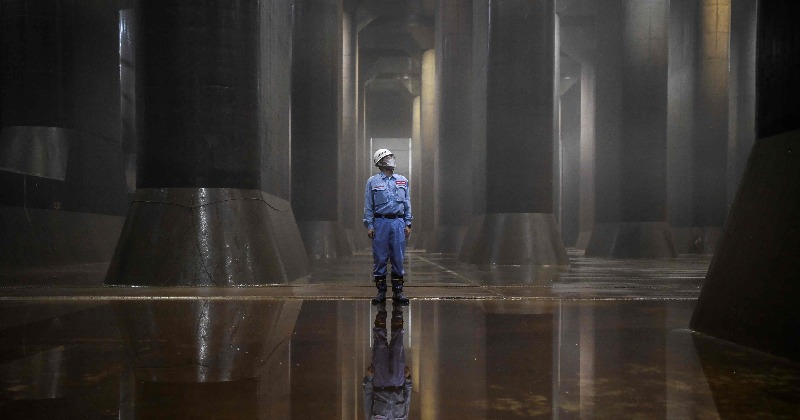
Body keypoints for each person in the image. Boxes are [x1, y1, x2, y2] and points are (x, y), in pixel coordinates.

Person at [364, 148, 412, 305]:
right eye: (389, 157)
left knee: (398, 257)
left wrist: (408, 223)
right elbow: (368, 206)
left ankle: (398, 292)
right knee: (380, 258)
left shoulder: (402, 180)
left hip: (398, 222)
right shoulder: (373, 182)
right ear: (381, 161)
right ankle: (381, 292)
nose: (392, 159)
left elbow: (407, 203)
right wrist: (370, 225)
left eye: (392, 156)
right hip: (381, 223)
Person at [363, 302, 412, 419]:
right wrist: (408, 380)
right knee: (398, 341)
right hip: (398, 381)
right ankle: (398, 309)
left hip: (380, 381)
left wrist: (369, 379)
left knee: (379, 342)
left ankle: (381, 309)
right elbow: (407, 401)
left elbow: (367, 399)